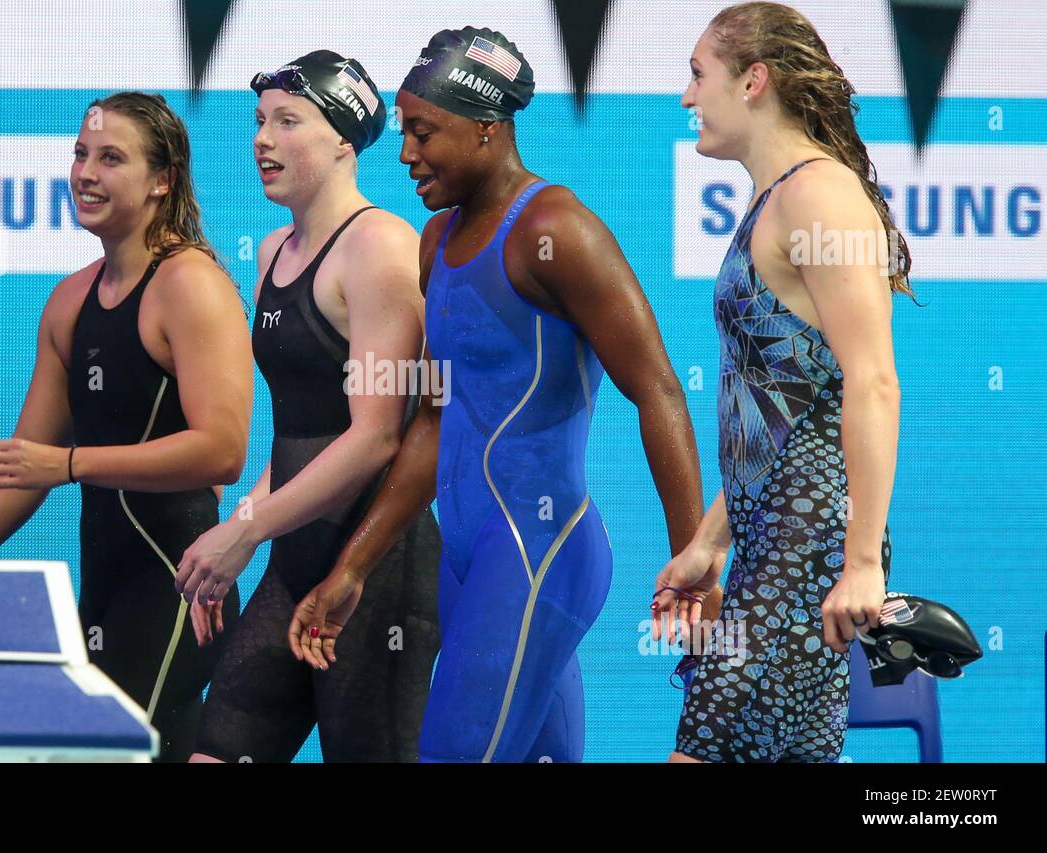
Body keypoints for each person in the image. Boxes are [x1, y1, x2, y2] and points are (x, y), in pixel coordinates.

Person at [291, 28, 705, 763]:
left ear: (486, 130)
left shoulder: (556, 230)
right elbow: (432, 421)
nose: (406, 152)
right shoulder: (435, 241)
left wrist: (694, 560)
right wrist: (353, 564)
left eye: (424, 132)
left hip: (540, 550)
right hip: (471, 560)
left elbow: (660, 391)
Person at [0, 92, 253, 762]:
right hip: (105, 596)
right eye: (81, 154)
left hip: (180, 590)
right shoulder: (68, 302)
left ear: (162, 178)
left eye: (111, 158)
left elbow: (224, 450)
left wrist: (72, 463)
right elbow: (25, 468)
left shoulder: (190, 285)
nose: (86, 172)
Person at [659, 1, 909, 762]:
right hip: (773, 541)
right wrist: (710, 541)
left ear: (754, 80)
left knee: (702, 750)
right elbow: (778, 411)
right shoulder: (777, 200)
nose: (687, 96)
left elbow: (872, 383)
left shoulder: (818, 197)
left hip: (807, 548)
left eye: (699, 75)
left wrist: (861, 562)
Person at [177, 52, 441, 763]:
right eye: (259, 121)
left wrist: (246, 529)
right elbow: (301, 432)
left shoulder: (380, 248)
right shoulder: (272, 253)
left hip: (376, 566)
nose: (262, 139)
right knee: (219, 746)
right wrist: (243, 531)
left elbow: (375, 438)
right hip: (296, 558)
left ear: (343, 144)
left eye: (288, 121)